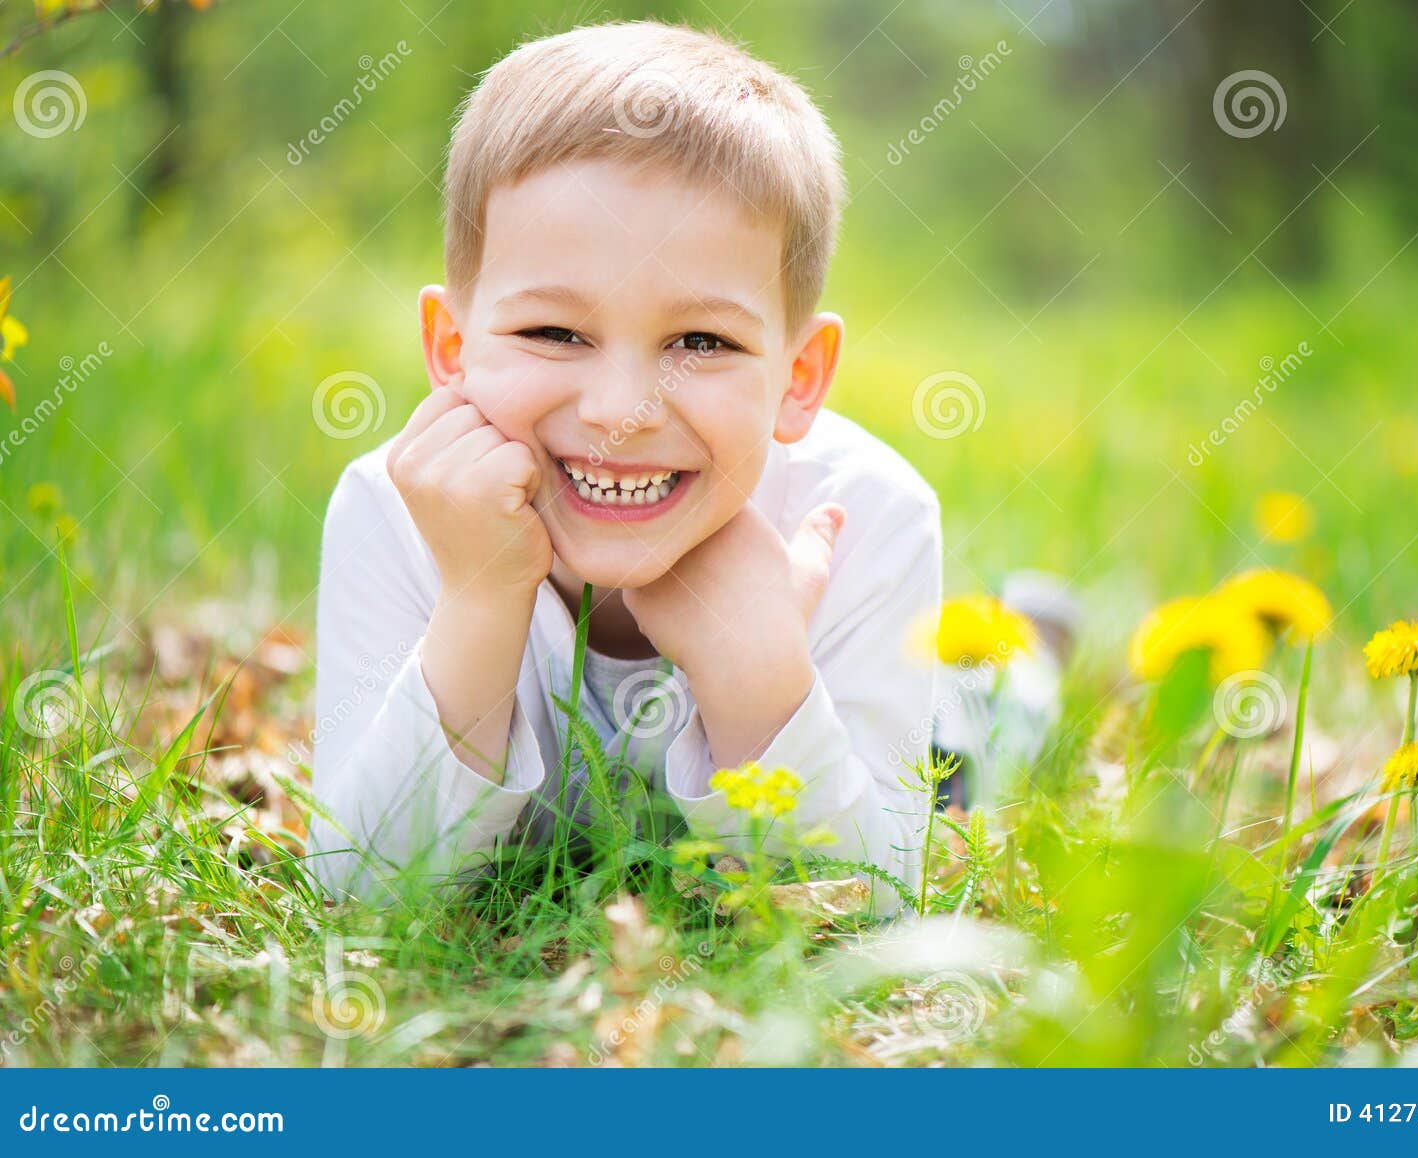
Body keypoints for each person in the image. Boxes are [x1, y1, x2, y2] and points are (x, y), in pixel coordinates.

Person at [308, 21, 942, 911]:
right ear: (451, 347)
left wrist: (760, 678)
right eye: (554, 332)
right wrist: (481, 598)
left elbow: (861, 904)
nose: (619, 409)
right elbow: (362, 890)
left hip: (926, 718)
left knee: (976, 725)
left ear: (800, 378)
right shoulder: (395, 508)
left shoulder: (864, 514)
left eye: (701, 340)